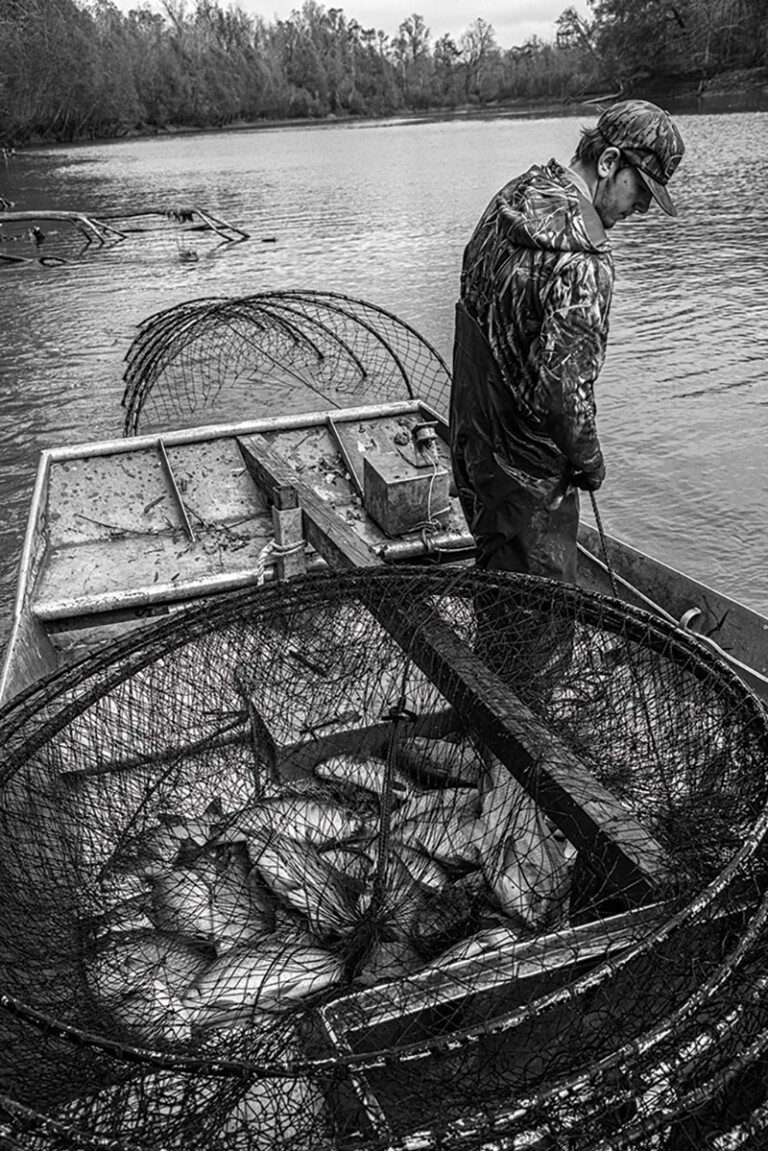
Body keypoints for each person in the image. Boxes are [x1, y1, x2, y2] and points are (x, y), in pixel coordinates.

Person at [450, 99, 685, 585]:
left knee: (496, 580)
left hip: (472, 441)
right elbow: (563, 396)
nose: (642, 207)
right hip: (525, 479)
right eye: (641, 188)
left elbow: (471, 295)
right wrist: (590, 462)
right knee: (537, 617)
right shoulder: (585, 264)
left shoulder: (512, 197)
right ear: (609, 162)